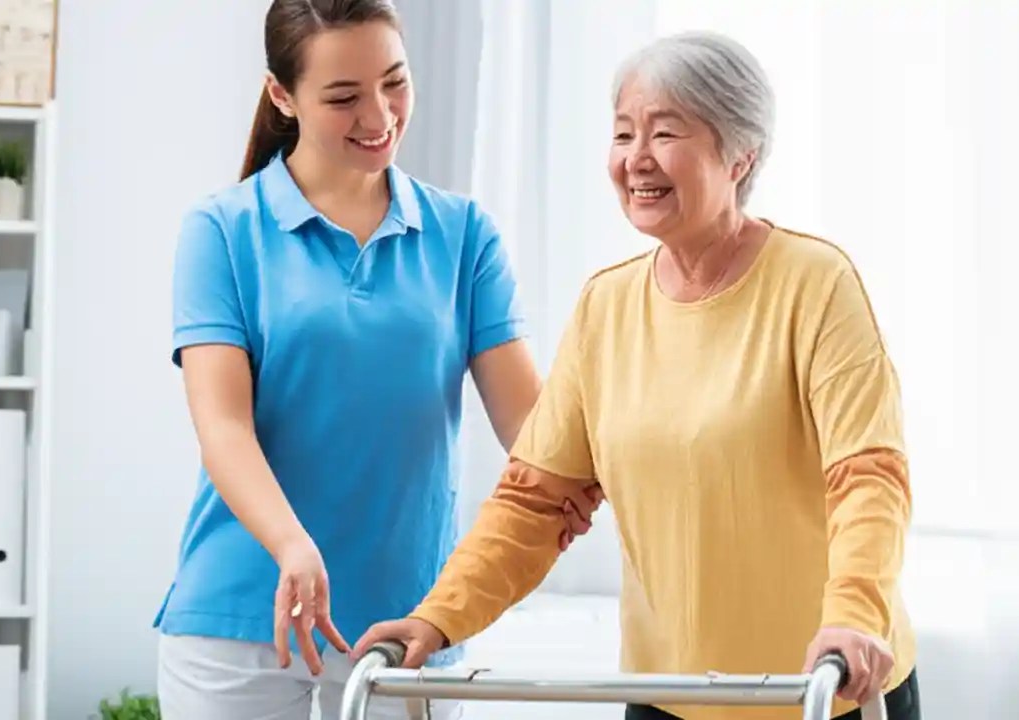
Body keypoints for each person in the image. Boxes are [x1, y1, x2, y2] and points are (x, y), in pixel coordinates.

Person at [353, 30, 922, 720]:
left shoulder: (816, 285)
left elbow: (868, 480)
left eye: (665, 132)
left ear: (741, 154)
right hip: (669, 694)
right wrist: (438, 618)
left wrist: (854, 616)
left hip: (827, 690)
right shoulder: (607, 306)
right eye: (624, 133)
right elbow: (534, 504)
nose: (636, 158)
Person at [153, 2, 603, 719]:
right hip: (241, 615)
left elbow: (531, 427)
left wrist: (590, 477)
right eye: (344, 97)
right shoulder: (223, 230)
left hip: (408, 625)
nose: (379, 115)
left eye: (394, 82)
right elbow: (224, 428)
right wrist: (292, 547)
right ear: (282, 95)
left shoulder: (463, 235)